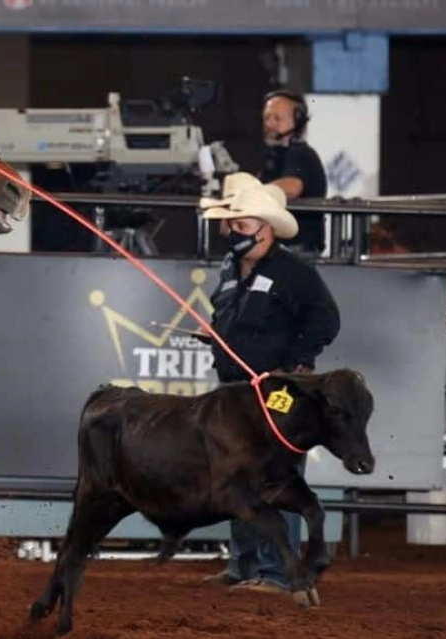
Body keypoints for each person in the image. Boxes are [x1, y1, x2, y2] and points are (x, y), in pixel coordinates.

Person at [197, 179, 341, 594]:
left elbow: (325, 321)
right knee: (235, 476)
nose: (232, 233)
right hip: (235, 392)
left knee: (276, 478)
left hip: (277, 391)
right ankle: (244, 566)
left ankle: (278, 573)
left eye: (239, 225)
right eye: (231, 225)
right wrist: (216, 336)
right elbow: (226, 315)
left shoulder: (294, 273)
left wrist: (293, 362)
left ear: (266, 228)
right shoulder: (229, 270)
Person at [258, 90, 327, 259]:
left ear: (298, 121)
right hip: (282, 248)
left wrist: (249, 192)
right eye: (266, 118)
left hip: (296, 251)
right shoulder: (276, 157)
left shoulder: (300, 153)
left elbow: (291, 187)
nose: (269, 123)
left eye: (277, 118)